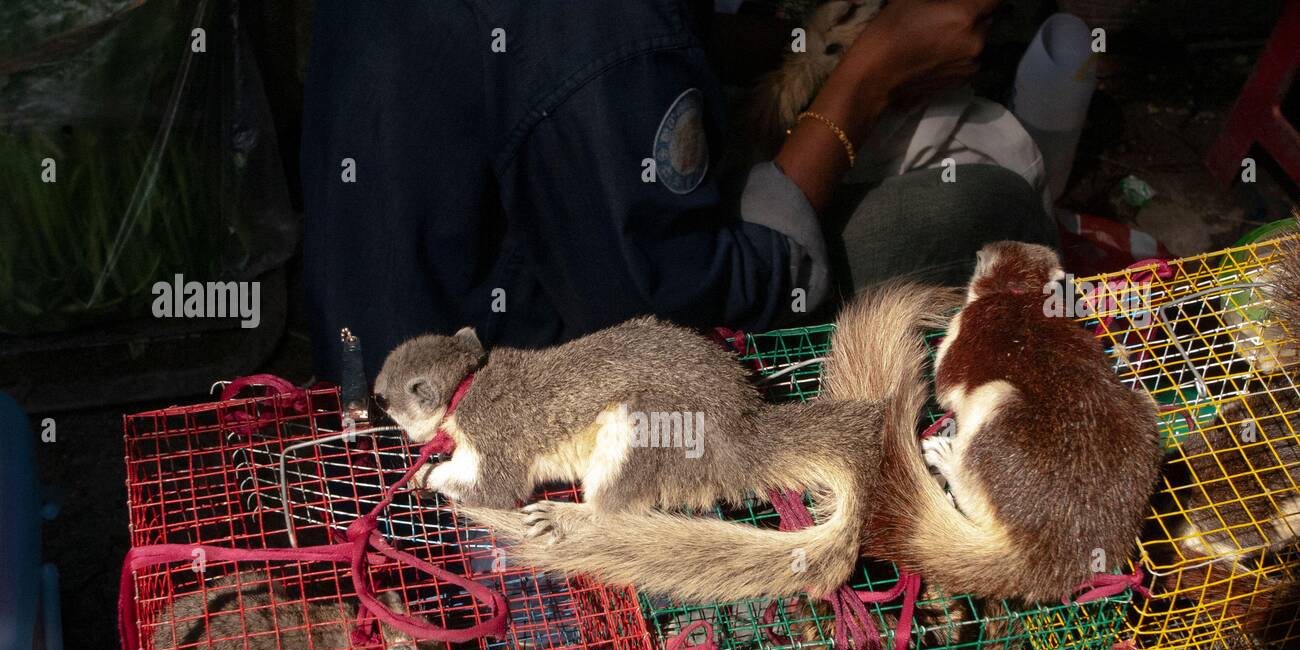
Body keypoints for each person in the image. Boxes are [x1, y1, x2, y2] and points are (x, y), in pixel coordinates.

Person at [301, 0, 1054, 380]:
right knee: (973, 210)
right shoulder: (604, 27)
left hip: (381, 326)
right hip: (494, 408)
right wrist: (864, 84)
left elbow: (531, 82)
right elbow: (675, 313)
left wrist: (768, 45)